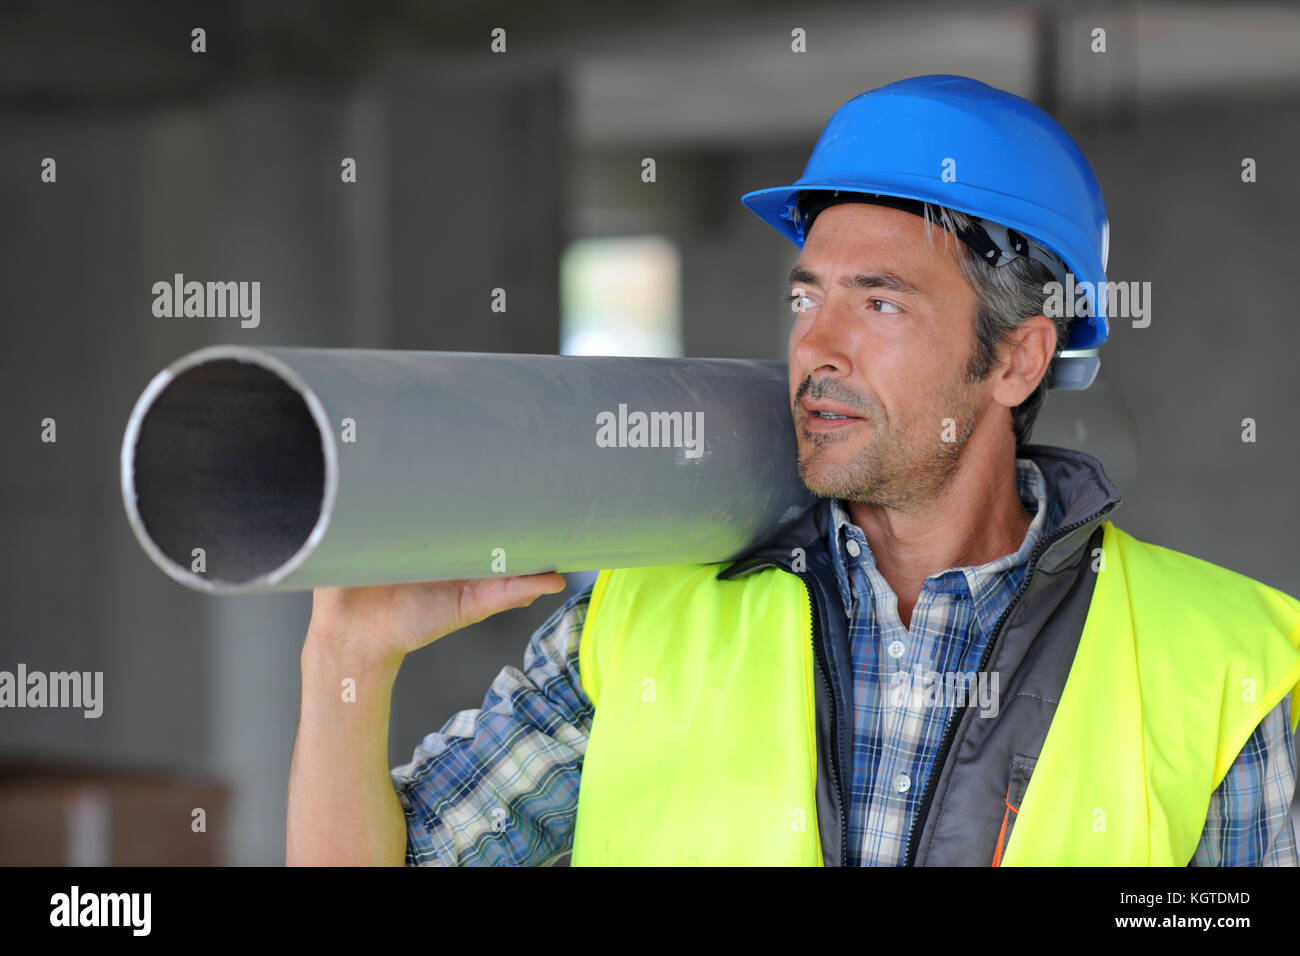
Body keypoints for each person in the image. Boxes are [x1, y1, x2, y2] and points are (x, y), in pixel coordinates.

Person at [286, 75, 1300, 866]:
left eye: (880, 301)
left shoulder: (1218, 665)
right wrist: (347, 661)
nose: (817, 343)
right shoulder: (644, 621)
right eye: (805, 297)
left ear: (1018, 356)